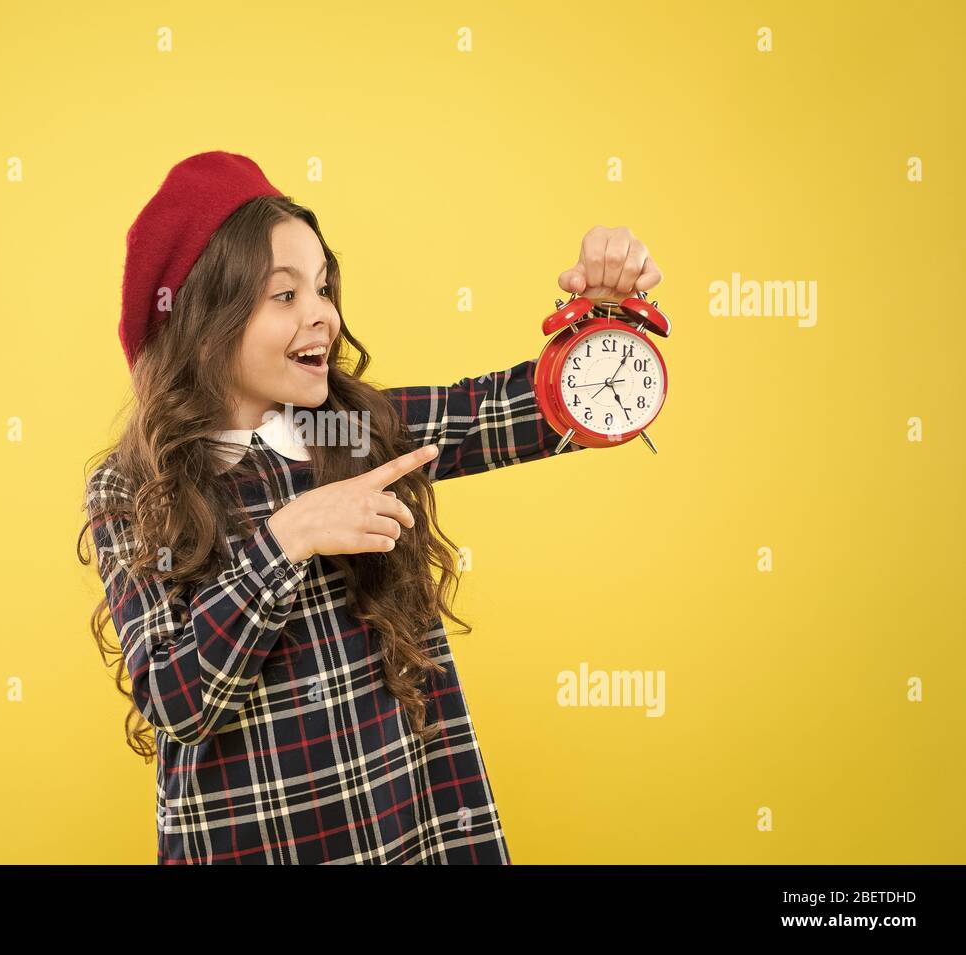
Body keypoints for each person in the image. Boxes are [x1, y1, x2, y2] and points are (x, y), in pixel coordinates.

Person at [79, 150, 662, 864]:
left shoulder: (355, 430)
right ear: (203, 318)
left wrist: (606, 313)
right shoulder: (134, 486)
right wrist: (287, 538)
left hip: (413, 838)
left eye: (323, 288)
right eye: (285, 295)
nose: (323, 315)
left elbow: (550, 411)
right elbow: (178, 701)